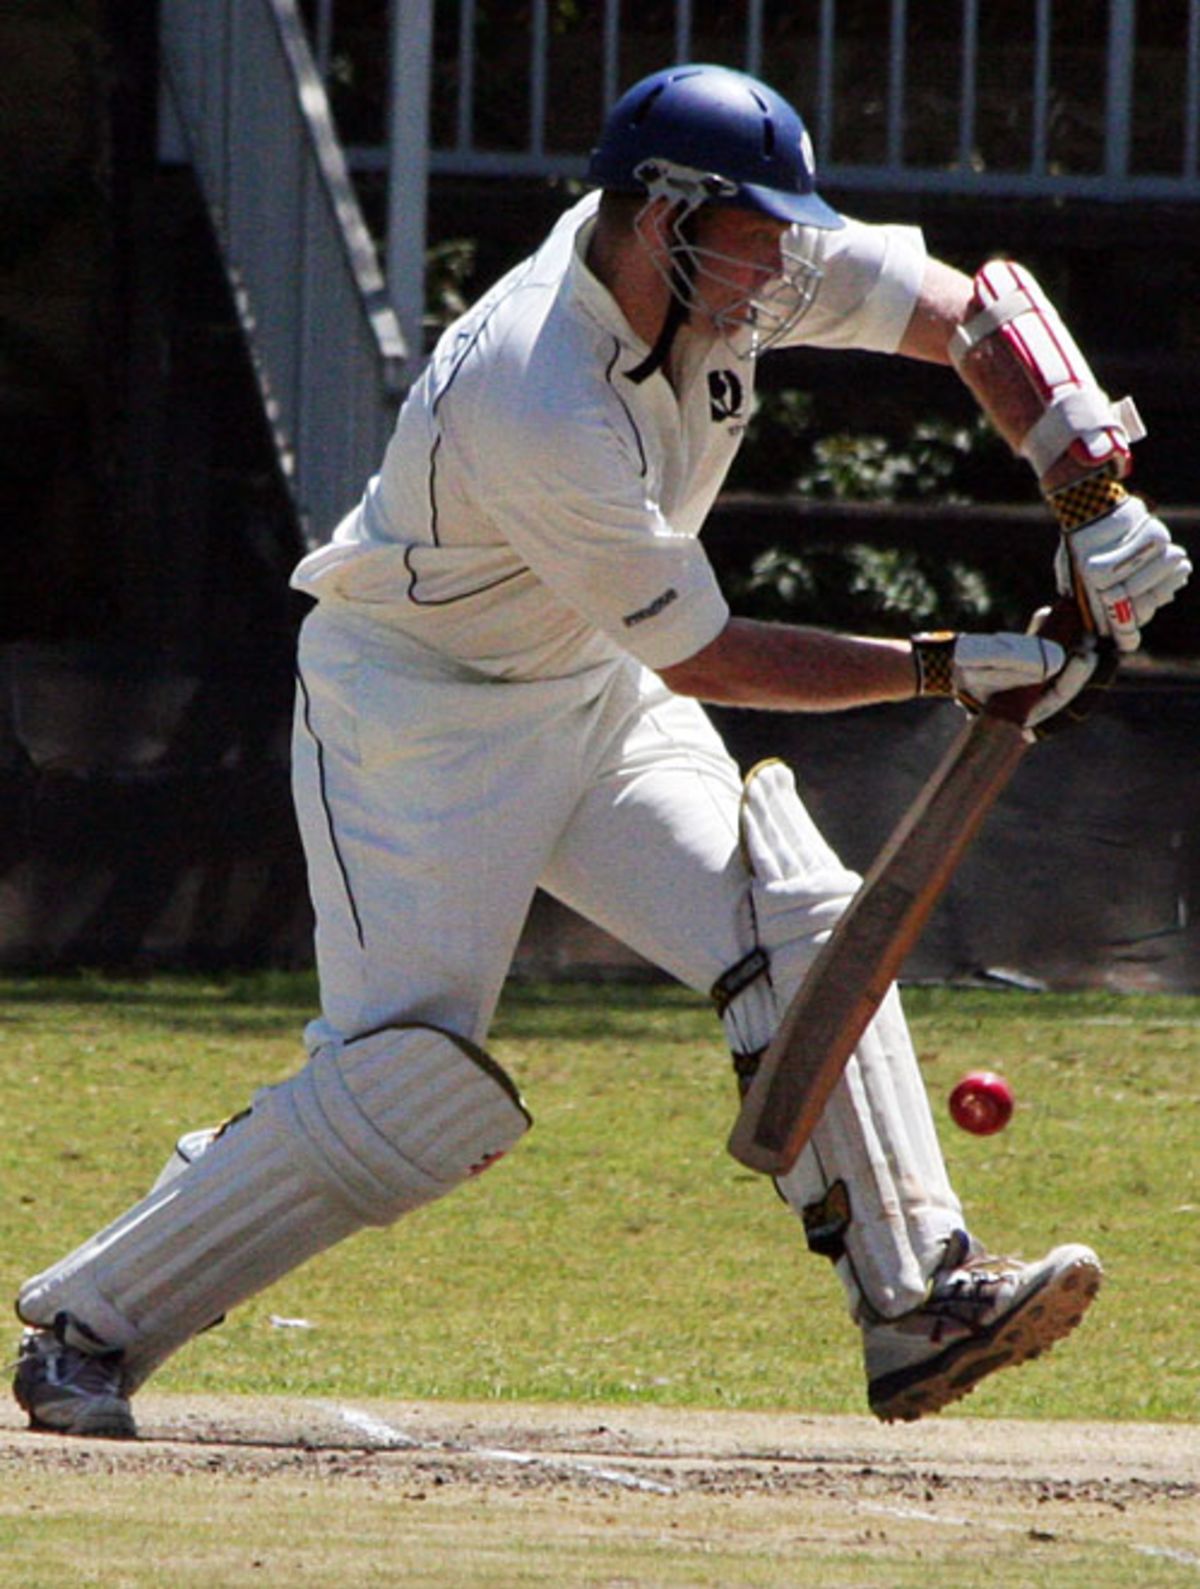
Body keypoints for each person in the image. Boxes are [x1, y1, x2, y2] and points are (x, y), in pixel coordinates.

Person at [13, 64, 1189, 1439]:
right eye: (751, 230)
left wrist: (1092, 492)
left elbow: (975, 307)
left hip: (592, 683)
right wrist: (942, 667)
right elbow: (705, 654)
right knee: (409, 1086)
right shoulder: (536, 389)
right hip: (422, 718)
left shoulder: (737, 264)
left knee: (798, 916)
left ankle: (918, 1299)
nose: (778, 263)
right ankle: (86, 1325)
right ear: (660, 217)